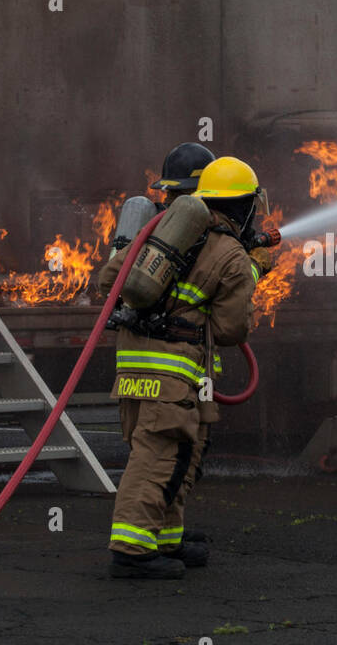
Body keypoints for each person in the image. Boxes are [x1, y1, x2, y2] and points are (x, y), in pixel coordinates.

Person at [99, 156, 267, 579]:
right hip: (173, 370)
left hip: (135, 364)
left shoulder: (160, 230)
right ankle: (132, 550)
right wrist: (253, 271)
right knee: (159, 456)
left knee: (178, 453)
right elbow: (231, 329)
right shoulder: (229, 253)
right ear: (242, 206)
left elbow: (110, 283)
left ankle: (163, 537)